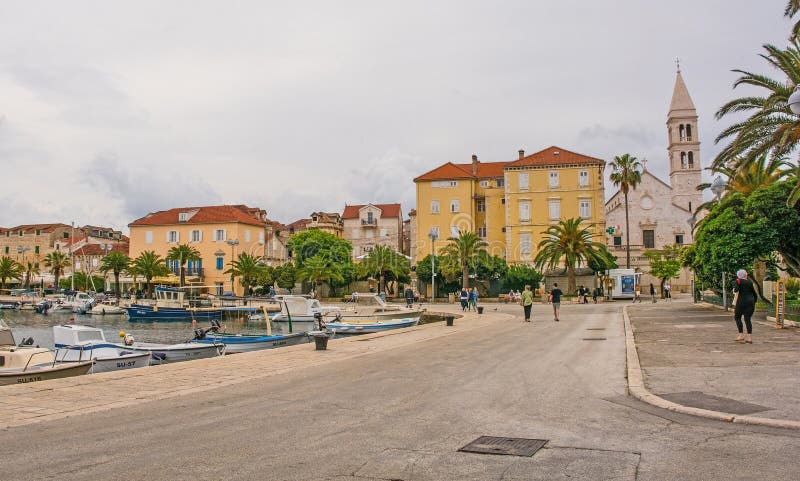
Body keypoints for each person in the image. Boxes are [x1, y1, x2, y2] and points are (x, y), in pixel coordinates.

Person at [733, 269, 756, 343]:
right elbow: (754, 293)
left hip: (741, 302)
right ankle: (749, 338)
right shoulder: (750, 282)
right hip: (750, 302)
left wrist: (735, 287)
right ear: (745, 275)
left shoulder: (738, 281)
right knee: (747, 319)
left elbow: (736, 290)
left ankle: (741, 335)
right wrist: (754, 301)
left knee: (737, 317)